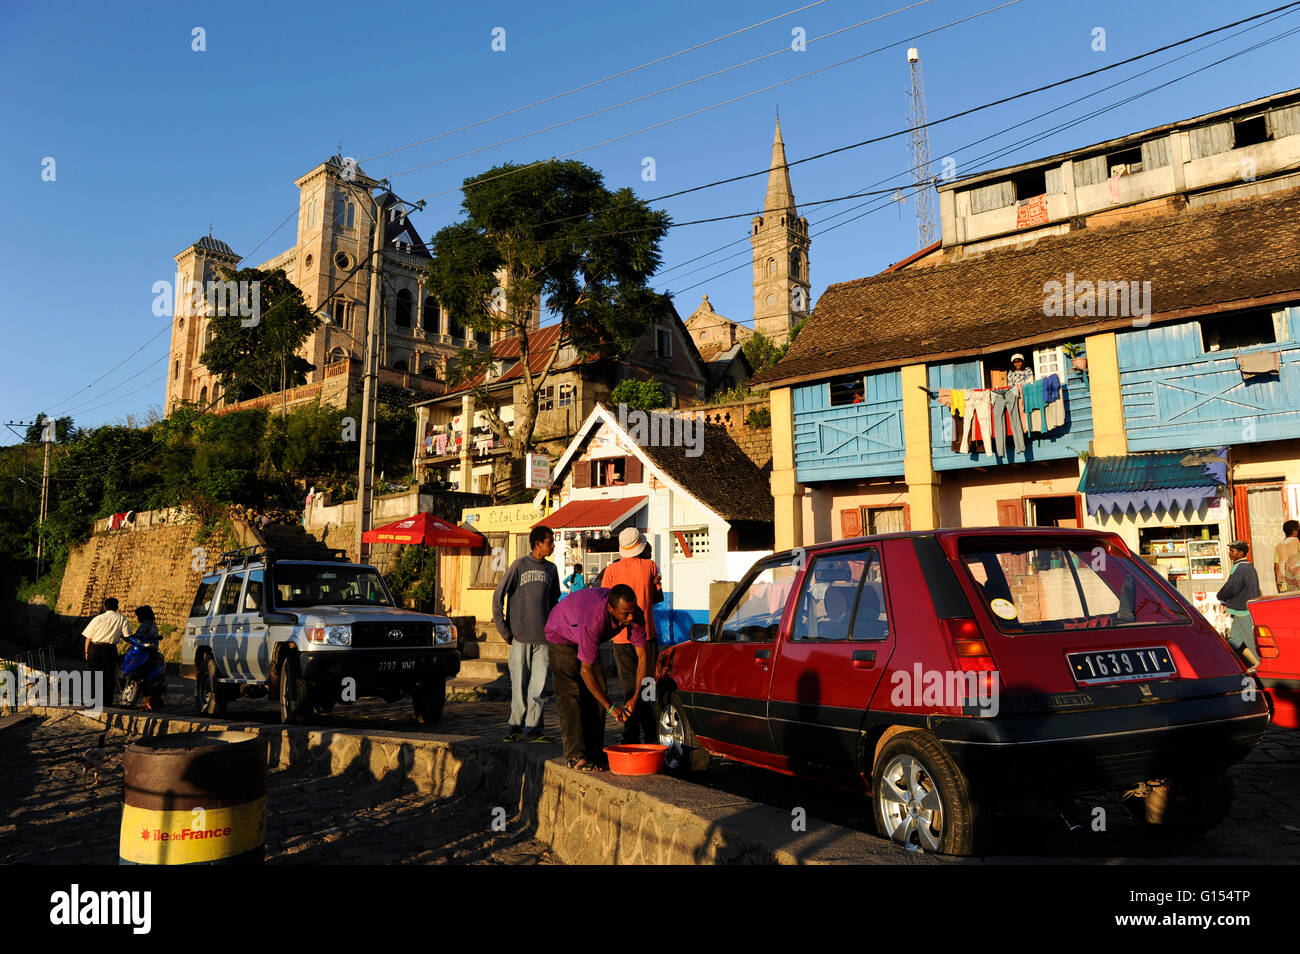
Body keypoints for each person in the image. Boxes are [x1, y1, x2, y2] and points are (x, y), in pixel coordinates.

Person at [545, 584, 649, 772]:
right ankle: (575, 755)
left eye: (632, 612)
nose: (631, 618)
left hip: (584, 632)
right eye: (625, 614)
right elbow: (586, 671)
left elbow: (643, 657)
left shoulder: (635, 615)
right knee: (571, 693)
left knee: (599, 687)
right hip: (561, 632)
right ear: (611, 609)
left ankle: (594, 751)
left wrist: (635, 698)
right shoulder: (595, 620)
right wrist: (611, 707)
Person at [492, 525, 561, 743]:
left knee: (538, 689)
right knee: (519, 687)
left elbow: (554, 602)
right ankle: (516, 728)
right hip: (519, 637)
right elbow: (498, 596)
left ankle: (534, 731)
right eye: (550, 541)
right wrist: (503, 629)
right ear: (538, 543)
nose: (552, 545)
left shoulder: (552, 570)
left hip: (544, 639)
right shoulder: (519, 566)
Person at [599, 528, 663, 744]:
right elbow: (656, 598)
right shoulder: (650, 566)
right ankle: (652, 733)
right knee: (648, 684)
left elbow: (606, 604)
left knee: (628, 687)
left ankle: (631, 733)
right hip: (647, 635)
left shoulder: (611, 570)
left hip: (621, 637)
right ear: (641, 546)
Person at [1217, 541, 1261, 664]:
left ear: (1240, 553)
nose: (1230, 553)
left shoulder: (1240, 568)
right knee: (1235, 639)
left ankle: (1260, 664)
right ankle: (1255, 663)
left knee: (1251, 642)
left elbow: (1231, 587)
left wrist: (1220, 597)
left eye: (1232, 551)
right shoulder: (1248, 566)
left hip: (1243, 610)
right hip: (1242, 609)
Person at [82, 597, 132, 705]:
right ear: (117, 607)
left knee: (94, 675)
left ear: (105, 607)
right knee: (109, 675)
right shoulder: (122, 618)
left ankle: (93, 700)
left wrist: (86, 652)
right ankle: (107, 701)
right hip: (109, 650)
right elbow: (127, 636)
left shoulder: (97, 618)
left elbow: (88, 638)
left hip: (94, 649)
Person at [1275, 520, 1300, 593]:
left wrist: (1278, 585)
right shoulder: (1297, 542)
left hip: (1284, 585)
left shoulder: (1278, 547)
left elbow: (1276, 568)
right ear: (1295, 531)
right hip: (1296, 583)